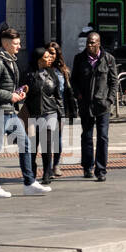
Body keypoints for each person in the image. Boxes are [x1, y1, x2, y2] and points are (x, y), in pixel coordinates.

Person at [0, 27, 47, 197]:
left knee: (25, 144)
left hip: (9, 110)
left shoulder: (9, 59)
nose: (19, 46)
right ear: (6, 44)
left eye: (19, 43)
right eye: (16, 43)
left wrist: (18, 92)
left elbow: (5, 86)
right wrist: (10, 96)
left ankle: (29, 183)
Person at [70, 31, 120, 181]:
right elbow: (74, 80)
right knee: (86, 136)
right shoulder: (79, 58)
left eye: (92, 42)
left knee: (102, 137)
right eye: (88, 42)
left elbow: (113, 82)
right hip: (85, 104)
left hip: (102, 105)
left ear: (99, 43)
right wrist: (78, 95)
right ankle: (87, 167)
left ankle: (101, 169)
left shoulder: (108, 59)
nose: (89, 45)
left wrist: (110, 99)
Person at [22, 46, 65, 185]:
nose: (50, 59)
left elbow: (58, 96)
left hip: (50, 113)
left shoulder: (52, 73)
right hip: (33, 114)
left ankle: (47, 173)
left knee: (47, 145)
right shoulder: (28, 74)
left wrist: (61, 114)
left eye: (50, 57)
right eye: (46, 57)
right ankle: (32, 172)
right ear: (38, 59)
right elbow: (22, 94)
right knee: (33, 146)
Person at [47, 41, 75, 177]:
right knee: (45, 139)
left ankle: (55, 165)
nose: (51, 56)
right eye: (49, 52)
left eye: (53, 53)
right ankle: (46, 167)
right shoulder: (41, 68)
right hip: (44, 109)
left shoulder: (63, 70)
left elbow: (68, 91)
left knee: (57, 138)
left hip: (59, 109)